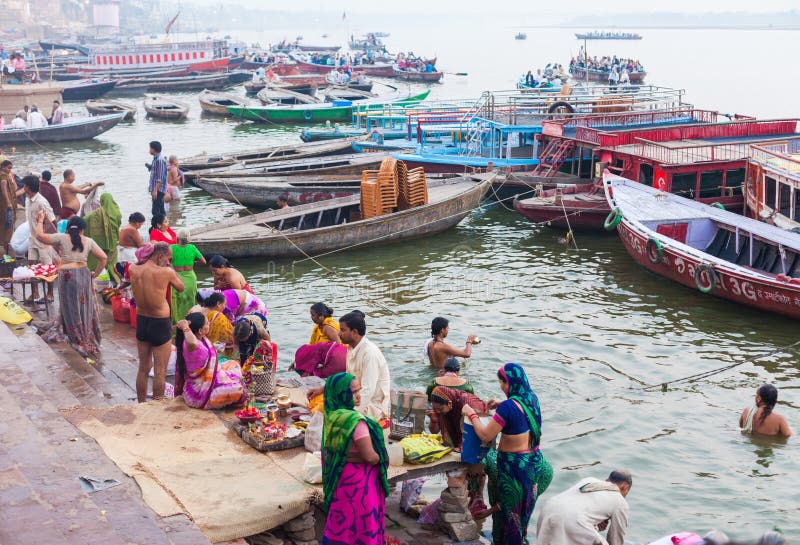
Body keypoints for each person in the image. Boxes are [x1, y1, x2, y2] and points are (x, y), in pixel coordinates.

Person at [464, 362, 553, 545]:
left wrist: (471, 414)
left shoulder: (508, 408)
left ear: (510, 383)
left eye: (502, 383)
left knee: (510, 519)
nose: (501, 387)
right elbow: (519, 412)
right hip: (533, 465)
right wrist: (502, 403)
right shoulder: (532, 399)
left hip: (513, 469)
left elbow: (485, 435)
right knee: (521, 517)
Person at [321, 372, 389, 545]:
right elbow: (370, 457)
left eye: (359, 390)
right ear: (341, 393)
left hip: (342, 477)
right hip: (360, 482)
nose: (358, 396)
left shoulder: (332, 415)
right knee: (361, 525)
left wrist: (350, 455)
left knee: (342, 523)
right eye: (353, 392)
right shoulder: (355, 421)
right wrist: (380, 455)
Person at [34, 214, 106, 356]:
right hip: (84, 274)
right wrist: (95, 274)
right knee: (83, 305)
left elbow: (40, 236)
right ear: (82, 230)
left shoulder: (62, 237)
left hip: (67, 276)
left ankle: (74, 334)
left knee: (70, 306)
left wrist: (41, 219)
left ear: (68, 229)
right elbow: (103, 258)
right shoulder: (89, 241)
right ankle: (84, 333)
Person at [129, 243, 184, 402]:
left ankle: (141, 404)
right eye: (168, 258)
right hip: (159, 322)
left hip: (141, 320)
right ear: (160, 256)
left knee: (143, 368)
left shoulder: (133, 268)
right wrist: (171, 268)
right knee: (160, 370)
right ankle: (158, 407)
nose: (168, 262)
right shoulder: (166, 272)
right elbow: (180, 287)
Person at [536, 470, 632, 545]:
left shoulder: (589, 480)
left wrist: (595, 526)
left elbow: (575, 508)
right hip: (572, 520)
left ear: (607, 479)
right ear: (624, 487)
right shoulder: (620, 501)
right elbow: (616, 540)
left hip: (548, 508)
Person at [174, 312, 245, 409]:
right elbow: (192, 342)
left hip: (205, 380)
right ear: (200, 331)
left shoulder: (198, 339)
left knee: (233, 364)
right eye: (207, 323)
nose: (209, 324)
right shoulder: (192, 344)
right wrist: (185, 327)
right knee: (239, 390)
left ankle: (224, 381)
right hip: (199, 393)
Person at [340, 311, 390, 419]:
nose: (339, 333)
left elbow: (368, 391)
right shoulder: (351, 348)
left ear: (354, 332)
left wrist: (350, 413)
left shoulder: (370, 353)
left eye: (343, 330)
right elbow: (347, 380)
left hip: (373, 406)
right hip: (356, 399)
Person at [22, 175, 56, 302]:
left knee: (48, 267)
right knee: (32, 266)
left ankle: (50, 293)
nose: (23, 188)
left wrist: (50, 240)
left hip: (44, 242)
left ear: (28, 187)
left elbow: (52, 221)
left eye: (25, 185)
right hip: (32, 239)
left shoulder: (41, 202)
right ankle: (35, 292)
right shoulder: (27, 199)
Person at [84, 193, 122, 285]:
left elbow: (85, 219)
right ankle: (115, 275)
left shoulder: (97, 214)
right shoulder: (117, 212)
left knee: (99, 256)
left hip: (99, 241)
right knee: (112, 260)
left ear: (102, 201)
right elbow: (119, 224)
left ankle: (96, 273)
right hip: (113, 241)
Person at [170, 229, 205, 324]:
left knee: (176, 300)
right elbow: (204, 261)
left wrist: (173, 267)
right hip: (190, 276)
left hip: (176, 277)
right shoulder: (192, 247)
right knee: (191, 298)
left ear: (177, 238)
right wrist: (192, 263)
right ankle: (192, 321)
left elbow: (166, 261)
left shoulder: (172, 248)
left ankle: (177, 323)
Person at [199, 288, 267, 322]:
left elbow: (231, 324)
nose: (203, 307)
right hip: (245, 307)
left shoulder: (224, 305)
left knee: (253, 330)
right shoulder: (219, 297)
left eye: (202, 305)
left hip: (256, 307)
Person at [1, 160, 17, 255]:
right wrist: (8, 202)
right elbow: (4, 190)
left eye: (11, 168)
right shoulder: (3, 176)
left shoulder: (6, 175)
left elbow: (14, 188)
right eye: (8, 168)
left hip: (5, 204)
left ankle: (6, 243)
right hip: (6, 205)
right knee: (8, 223)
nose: (9, 170)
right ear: (3, 167)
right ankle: (6, 243)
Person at [148, 140, 167, 217]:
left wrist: (155, 190)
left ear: (153, 149)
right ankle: (164, 227)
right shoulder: (156, 159)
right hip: (156, 189)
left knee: (156, 211)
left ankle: (160, 227)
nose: (149, 150)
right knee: (160, 209)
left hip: (158, 189)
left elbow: (160, 178)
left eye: (150, 148)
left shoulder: (159, 160)